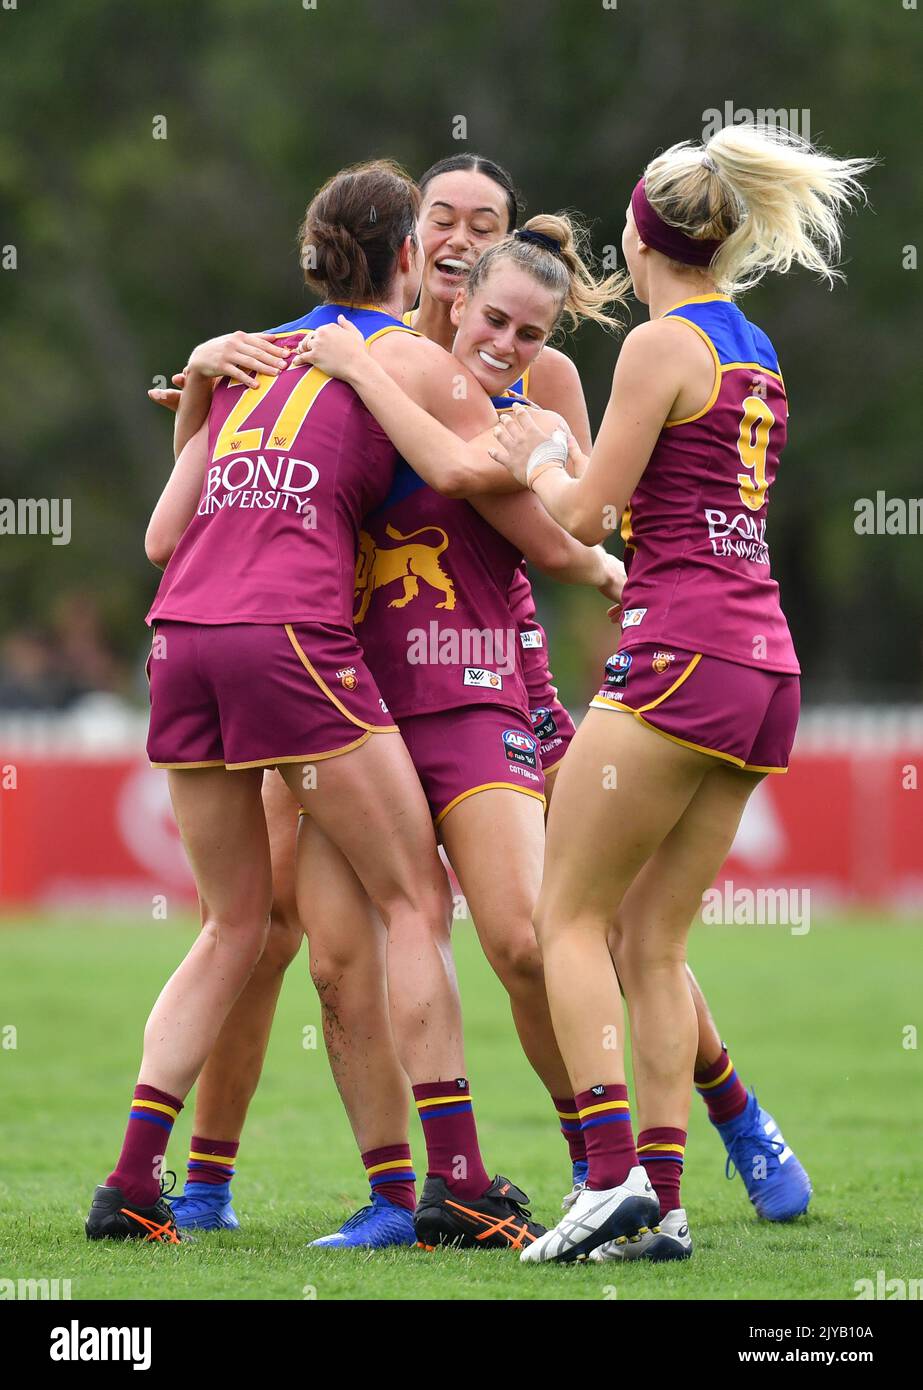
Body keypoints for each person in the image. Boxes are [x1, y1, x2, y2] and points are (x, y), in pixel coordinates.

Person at [85, 159, 547, 1249]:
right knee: (412, 908)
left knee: (234, 924)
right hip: (289, 641)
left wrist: (199, 384)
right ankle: (464, 1182)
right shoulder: (399, 359)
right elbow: (469, 468)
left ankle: (133, 1184)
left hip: (178, 639)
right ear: (402, 259)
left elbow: (159, 541)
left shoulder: (249, 354)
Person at [487, 123, 871, 1262]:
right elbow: (691, 507)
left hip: (681, 658)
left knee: (568, 916)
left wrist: (533, 450)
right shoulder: (755, 346)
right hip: (762, 669)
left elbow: (581, 513)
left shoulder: (659, 344)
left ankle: (608, 1175)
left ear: (640, 230)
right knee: (652, 939)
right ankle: (661, 1202)